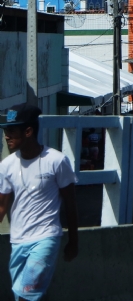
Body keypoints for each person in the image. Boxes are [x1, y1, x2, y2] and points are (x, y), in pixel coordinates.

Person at [0, 104, 78, 301]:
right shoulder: (6, 166)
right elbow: (1, 206)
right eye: (5, 130)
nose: (6, 135)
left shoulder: (56, 161)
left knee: (27, 293)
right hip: (18, 240)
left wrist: (73, 241)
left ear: (28, 131)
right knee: (20, 295)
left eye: (11, 130)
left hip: (46, 237)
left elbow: (70, 204)